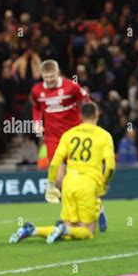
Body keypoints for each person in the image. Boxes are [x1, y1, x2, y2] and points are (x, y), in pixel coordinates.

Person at [9, 103, 116, 244]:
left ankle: (33, 230)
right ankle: (63, 229)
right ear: (97, 115)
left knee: (70, 229)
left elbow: (54, 163)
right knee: (88, 232)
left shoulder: (69, 134)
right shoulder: (104, 136)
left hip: (69, 183)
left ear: (80, 116)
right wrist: (105, 184)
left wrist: (51, 185)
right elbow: (110, 166)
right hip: (89, 183)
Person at [30, 59, 107, 231]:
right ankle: (73, 215)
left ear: (58, 73)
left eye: (52, 76)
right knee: (60, 180)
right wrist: (37, 122)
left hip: (74, 138)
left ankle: (97, 208)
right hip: (53, 139)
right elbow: (35, 107)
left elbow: (87, 101)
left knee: (80, 179)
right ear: (42, 75)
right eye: (46, 77)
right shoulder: (37, 90)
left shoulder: (71, 87)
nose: (49, 80)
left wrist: (89, 124)